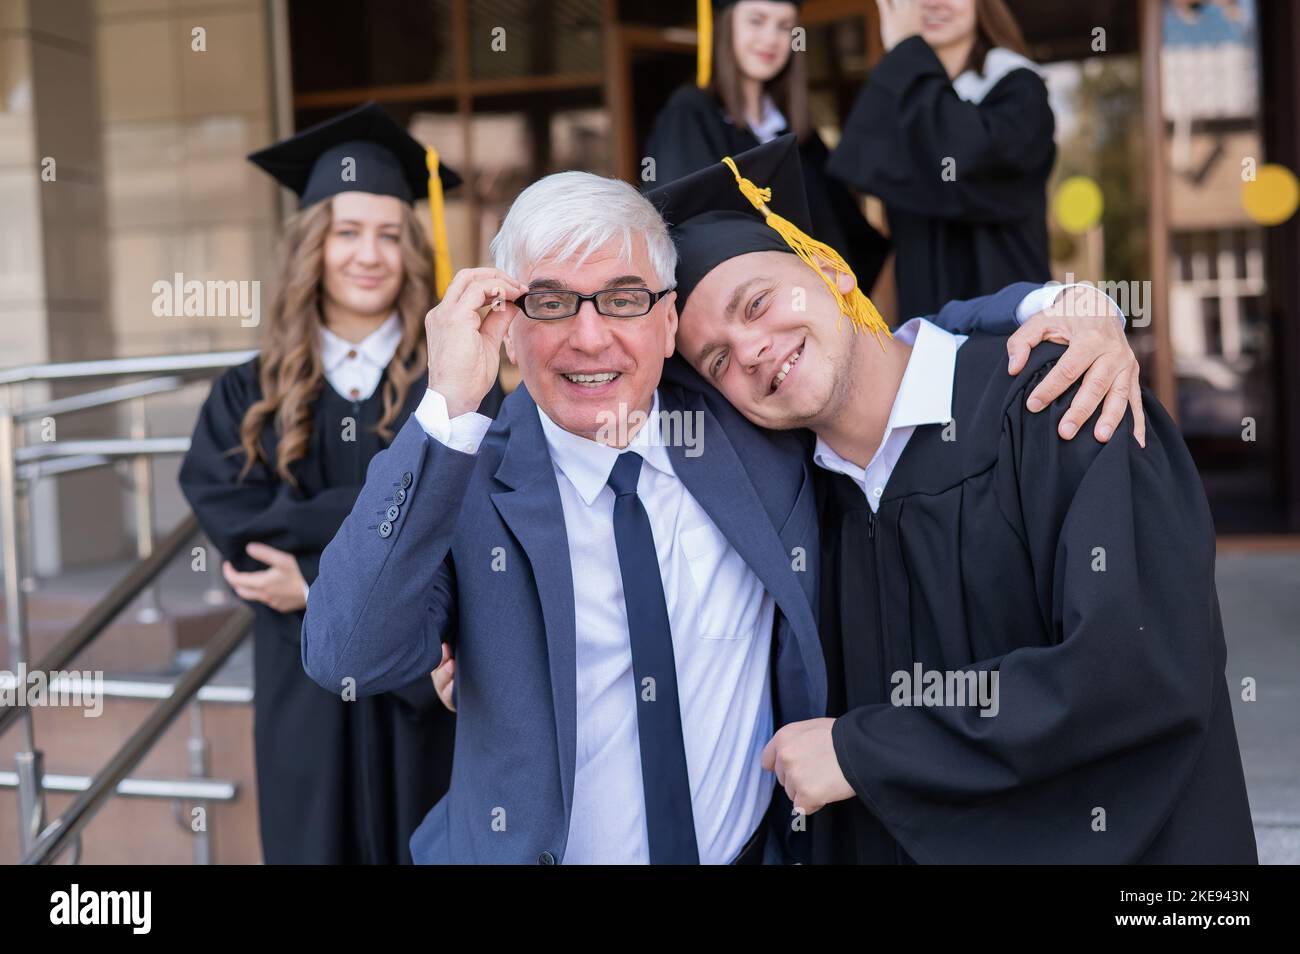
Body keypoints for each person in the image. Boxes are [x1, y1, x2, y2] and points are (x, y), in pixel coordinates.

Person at [309, 158, 1145, 865]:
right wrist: (448, 402)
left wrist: (1058, 306)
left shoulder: (745, 426)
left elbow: (860, 345)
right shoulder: (463, 477)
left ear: (669, 320)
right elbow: (346, 652)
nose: (591, 339)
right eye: (552, 302)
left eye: (626, 297)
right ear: (507, 325)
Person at [651, 134, 1258, 863]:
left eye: (754, 304)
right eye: (715, 359)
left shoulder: (1058, 402)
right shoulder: (808, 510)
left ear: (831, 269)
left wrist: (866, 751)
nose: (748, 349)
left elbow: (1135, 669)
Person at [178, 102, 502, 864]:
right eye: (347, 232)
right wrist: (404, 514)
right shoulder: (247, 394)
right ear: (311, 245)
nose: (370, 254)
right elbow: (242, 528)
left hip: (435, 686)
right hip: (306, 698)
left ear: (413, 249)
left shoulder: (457, 385)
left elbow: (480, 519)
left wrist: (320, 576)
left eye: (391, 235)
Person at [827, 0, 1055, 320]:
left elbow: (961, 157)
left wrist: (907, 51)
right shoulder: (900, 101)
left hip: (1010, 330)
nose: (933, 3)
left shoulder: (1019, 89)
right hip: (925, 328)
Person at [644, 0, 890, 291]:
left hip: (828, 305)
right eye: (756, 20)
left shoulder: (797, 133)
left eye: (785, 26)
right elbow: (690, 230)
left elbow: (853, 233)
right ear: (725, 25)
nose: (772, 38)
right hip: (756, 317)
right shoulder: (691, 115)